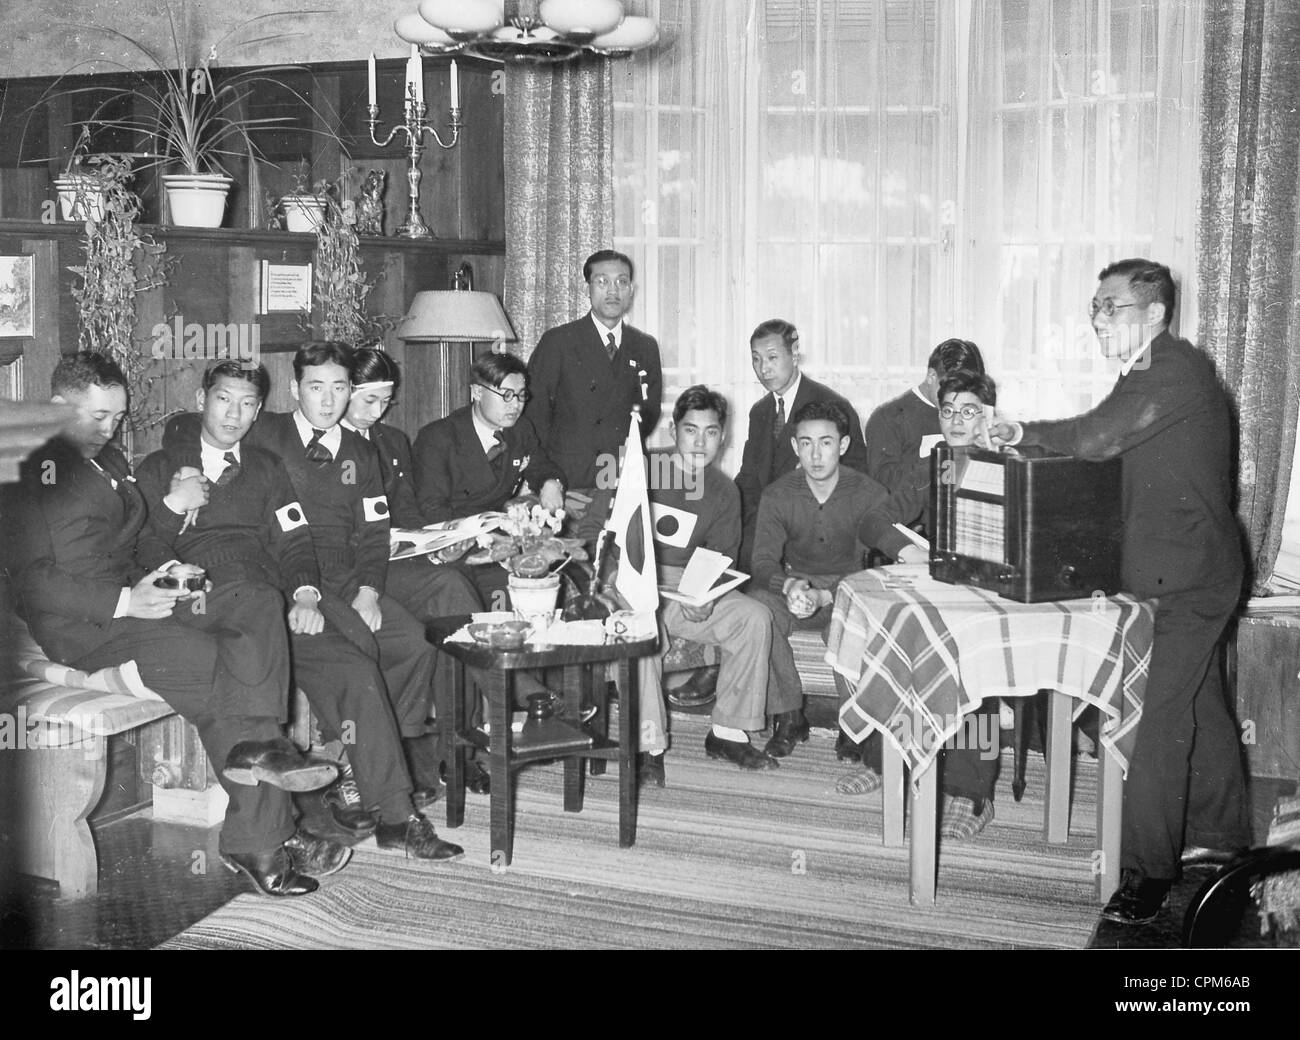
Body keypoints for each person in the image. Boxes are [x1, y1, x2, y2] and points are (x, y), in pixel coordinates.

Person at [5, 352, 348, 897]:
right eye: (97, 416)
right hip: (85, 624)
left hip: (147, 594)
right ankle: (264, 836)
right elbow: (33, 585)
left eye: (117, 416)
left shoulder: (108, 461)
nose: (109, 428)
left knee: (256, 602)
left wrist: (168, 570)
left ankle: (262, 779)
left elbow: (137, 538)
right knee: (213, 664)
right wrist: (125, 600)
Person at [989, 258, 1250, 924]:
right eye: (1096, 307)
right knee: (1202, 702)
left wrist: (1027, 434)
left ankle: (1149, 874)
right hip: (1186, 570)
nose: (1098, 318)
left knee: (1162, 723)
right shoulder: (1146, 374)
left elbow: (1096, 438)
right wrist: (1028, 438)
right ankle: (1225, 838)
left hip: (1193, 579)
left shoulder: (1174, 372)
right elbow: (1104, 442)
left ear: (1155, 313)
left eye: (1113, 307)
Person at [243, 343, 464, 860]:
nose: (328, 400)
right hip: (284, 579)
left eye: (340, 388)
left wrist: (368, 589)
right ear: (295, 388)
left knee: (411, 640)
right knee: (357, 653)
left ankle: (378, 763)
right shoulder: (264, 435)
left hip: (345, 577)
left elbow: (373, 530)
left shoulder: (361, 452)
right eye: (316, 387)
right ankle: (362, 776)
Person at [588, 386, 800, 784]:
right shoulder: (638, 467)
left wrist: (706, 594)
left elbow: (722, 558)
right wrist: (608, 577)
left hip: (685, 587)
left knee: (753, 616)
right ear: (673, 430)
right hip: (629, 581)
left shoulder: (723, 490)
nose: (700, 442)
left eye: (712, 432)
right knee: (642, 629)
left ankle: (728, 733)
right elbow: (592, 532)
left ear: (724, 436)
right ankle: (648, 747)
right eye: (691, 431)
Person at [837, 370, 1004, 840]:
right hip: (944, 588)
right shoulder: (937, 463)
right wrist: (907, 548)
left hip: (993, 596)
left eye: (969, 411)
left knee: (974, 670)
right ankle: (885, 758)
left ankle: (973, 792)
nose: (955, 420)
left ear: (989, 415)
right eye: (948, 409)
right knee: (893, 640)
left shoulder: (1009, 463)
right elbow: (874, 520)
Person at [346, 346, 511, 797]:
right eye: (368, 401)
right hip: (355, 572)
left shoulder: (393, 443)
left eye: (386, 402)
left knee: (448, 606)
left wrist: (440, 543)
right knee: (449, 593)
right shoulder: (326, 445)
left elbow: (410, 514)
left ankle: (456, 753)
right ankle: (506, 693)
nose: (377, 413)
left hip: (400, 562)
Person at [748, 400, 891, 757]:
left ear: (842, 445)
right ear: (795, 446)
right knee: (756, 610)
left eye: (825, 442)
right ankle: (789, 715)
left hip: (850, 589)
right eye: (806, 443)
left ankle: (853, 722)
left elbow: (873, 570)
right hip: (794, 584)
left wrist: (827, 595)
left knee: (855, 617)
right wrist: (790, 586)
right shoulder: (777, 494)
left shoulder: (871, 495)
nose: (815, 454)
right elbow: (763, 561)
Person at [412, 350, 567, 609]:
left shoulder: (520, 429)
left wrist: (551, 482)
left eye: (521, 395)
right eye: (506, 395)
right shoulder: (438, 438)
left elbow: (541, 466)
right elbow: (431, 508)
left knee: (553, 576)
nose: (515, 404)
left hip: (500, 537)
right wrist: (471, 536)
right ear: (477, 393)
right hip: (454, 545)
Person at [523, 249, 663, 513]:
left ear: (631, 290)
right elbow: (533, 421)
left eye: (622, 282)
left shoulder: (644, 346)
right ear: (587, 289)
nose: (613, 290)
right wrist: (546, 479)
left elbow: (648, 414)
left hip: (623, 481)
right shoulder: (558, 342)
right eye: (602, 281)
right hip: (568, 483)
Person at [735, 319, 868, 570]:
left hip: (815, 533)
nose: (764, 368)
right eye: (756, 359)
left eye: (772, 357)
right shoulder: (759, 412)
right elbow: (749, 478)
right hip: (766, 529)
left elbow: (858, 478)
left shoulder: (831, 405)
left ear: (794, 354)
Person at [862, 338, 985, 506]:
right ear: (931, 376)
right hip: (914, 527)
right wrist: (943, 458)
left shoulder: (974, 411)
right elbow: (884, 486)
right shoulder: (888, 418)